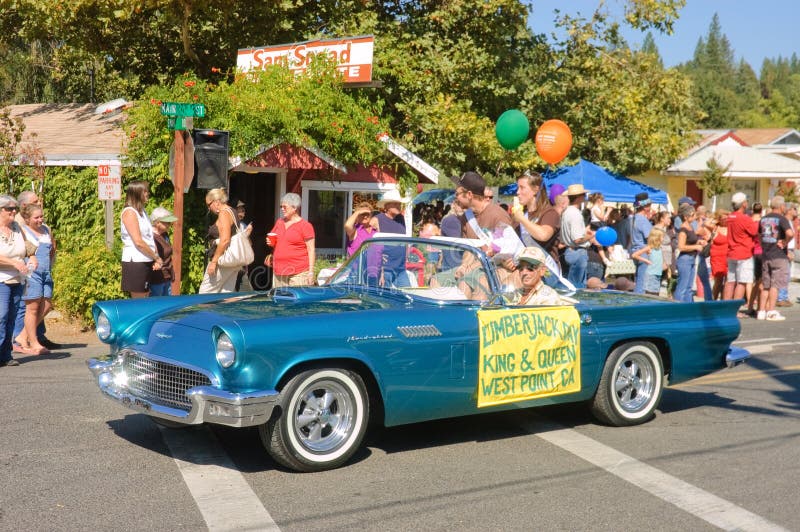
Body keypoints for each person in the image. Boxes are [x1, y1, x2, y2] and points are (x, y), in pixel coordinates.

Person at [12, 190, 58, 351]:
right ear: (27, 219)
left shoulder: (45, 229)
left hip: (46, 271)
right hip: (32, 273)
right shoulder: (22, 230)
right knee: (31, 308)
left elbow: (51, 249)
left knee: (47, 305)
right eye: (36, 218)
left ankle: (22, 336)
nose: (40, 220)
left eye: (41, 217)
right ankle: (33, 341)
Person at [0, 195, 37, 367]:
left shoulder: (16, 227)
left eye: (15, 208)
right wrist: (14, 262)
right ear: (0, 210)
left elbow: (28, 245)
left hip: (17, 279)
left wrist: (32, 256)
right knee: (1, 316)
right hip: (1, 279)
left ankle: (5, 355)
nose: (14, 211)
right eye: (9, 209)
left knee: (11, 318)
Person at [511, 171, 561, 274]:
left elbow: (543, 235)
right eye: (517, 188)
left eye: (522, 188)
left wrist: (522, 219)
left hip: (545, 271)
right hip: (524, 270)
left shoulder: (550, 213)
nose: (517, 192)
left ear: (535, 190)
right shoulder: (520, 214)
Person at [266, 192, 316, 288]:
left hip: (299, 272)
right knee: (279, 297)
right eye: (281, 206)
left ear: (294, 207)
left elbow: (311, 250)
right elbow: (274, 239)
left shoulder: (305, 226)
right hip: (279, 271)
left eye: (285, 207)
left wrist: (311, 272)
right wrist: (270, 243)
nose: (282, 209)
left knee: (296, 297)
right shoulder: (279, 222)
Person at [121, 181, 161, 298]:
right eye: (145, 191)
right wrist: (156, 257)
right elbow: (138, 242)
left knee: (146, 296)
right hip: (136, 261)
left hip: (146, 259)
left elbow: (149, 237)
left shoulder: (143, 211)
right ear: (137, 193)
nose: (148, 193)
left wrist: (155, 257)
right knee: (139, 299)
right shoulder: (129, 212)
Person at [757, 196, 794, 321]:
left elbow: (759, 235)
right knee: (775, 284)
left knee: (766, 284)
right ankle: (771, 311)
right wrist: (785, 242)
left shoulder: (763, 219)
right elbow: (790, 233)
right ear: (781, 206)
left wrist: (763, 245)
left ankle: (761, 310)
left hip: (766, 254)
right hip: (778, 255)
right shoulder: (782, 219)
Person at [723, 192, 759, 317]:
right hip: (744, 253)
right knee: (742, 282)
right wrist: (755, 221)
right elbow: (754, 232)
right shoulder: (744, 218)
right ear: (743, 204)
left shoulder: (730, 217)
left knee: (730, 281)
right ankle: (735, 310)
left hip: (732, 252)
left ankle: (726, 308)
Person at [200, 188, 240, 293]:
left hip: (222, 261)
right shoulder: (233, 211)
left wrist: (214, 262)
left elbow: (225, 240)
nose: (209, 208)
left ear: (217, 202)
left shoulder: (223, 213)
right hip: (233, 260)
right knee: (225, 295)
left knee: (205, 294)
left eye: (209, 204)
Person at [560, 184, 594, 288]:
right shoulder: (575, 214)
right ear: (579, 197)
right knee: (577, 287)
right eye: (583, 195)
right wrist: (591, 235)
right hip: (577, 251)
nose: (585, 196)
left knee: (570, 285)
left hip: (569, 250)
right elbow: (577, 239)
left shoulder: (566, 212)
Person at [372, 189, 409, 287]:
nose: (398, 206)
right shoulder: (377, 220)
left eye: (399, 204)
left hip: (401, 268)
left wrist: (406, 255)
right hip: (385, 269)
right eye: (395, 204)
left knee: (407, 293)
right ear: (387, 206)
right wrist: (378, 259)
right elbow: (370, 242)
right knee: (385, 295)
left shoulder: (401, 218)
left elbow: (403, 239)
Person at [674, 204, 706, 303]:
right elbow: (681, 246)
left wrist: (699, 242)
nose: (694, 217)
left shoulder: (690, 227)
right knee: (682, 287)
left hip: (692, 258)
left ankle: (688, 307)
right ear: (685, 217)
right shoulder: (683, 229)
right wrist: (696, 247)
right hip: (685, 259)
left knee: (689, 287)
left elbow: (691, 241)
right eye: (692, 215)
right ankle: (678, 306)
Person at [148, 207, 177, 296]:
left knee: (168, 302)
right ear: (157, 222)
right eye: (167, 222)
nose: (170, 224)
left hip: (167, 276)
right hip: (156, 278)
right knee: (156, 303)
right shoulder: (149, 236)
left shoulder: (165, 234)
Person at [630, 192, 653, 294]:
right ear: (645, 207)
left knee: (638, 280)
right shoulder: (643, 220)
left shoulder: (633, 218)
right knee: (642, 283)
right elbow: (650, 238)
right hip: (643, 252)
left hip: (635, 250)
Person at [631, 228, 665, 296]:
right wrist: (646, 260)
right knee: (650, 294)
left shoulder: (660, 248)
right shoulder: (649, 248)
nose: (663, 239)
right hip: (651, 275)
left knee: (656, 295)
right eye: (662, 237)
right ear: (657, 238)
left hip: (658, 274)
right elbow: (634, 255)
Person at [709, 210, 729, 300]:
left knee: (728, 281)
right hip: (717, 258)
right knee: (718, 281)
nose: (725, 221)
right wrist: (715, 219)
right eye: (723, 219)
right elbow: (706, 222)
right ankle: (713, 300)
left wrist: (729, 214)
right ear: (719, 219)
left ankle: (724, 300)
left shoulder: (731, 227)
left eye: (726, 219)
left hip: (728, 257)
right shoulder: (715, 227)